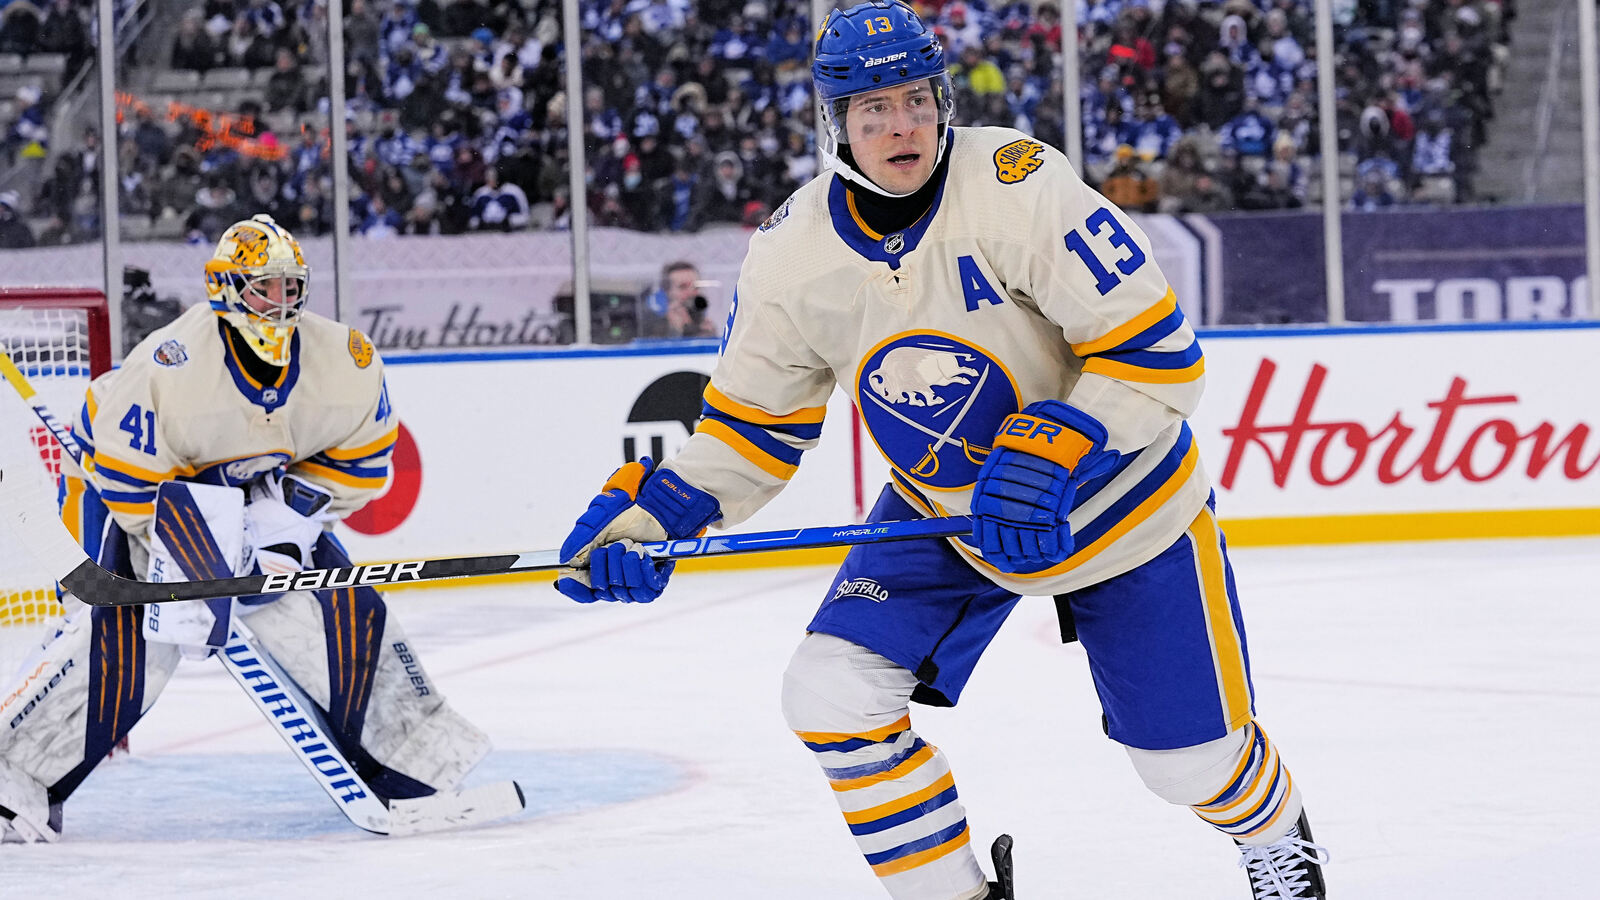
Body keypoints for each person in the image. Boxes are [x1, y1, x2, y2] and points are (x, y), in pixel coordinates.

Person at [554, 3, 1331, 898]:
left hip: (1126, 509)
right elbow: (751, 428)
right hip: (949, 522)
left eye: (917, 100)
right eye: (874, 109)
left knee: (1188, 766)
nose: (902, 126)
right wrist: (657, 515)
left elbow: (1158, 353)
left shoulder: (1018, 186)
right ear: (835, 123)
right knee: (829, 694)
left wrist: (1063, 442)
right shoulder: (791, 255)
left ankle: (1274, 837)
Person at [0, 214, 491, 842]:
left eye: (291, 287)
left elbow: (362, 464)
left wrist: (280, 526)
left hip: (259, 492)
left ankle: (413, 762)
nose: (281, 302)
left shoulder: (345, 360)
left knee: (342, 609)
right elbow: (130, 485)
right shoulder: (170, 366)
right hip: (138, 491)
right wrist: (195, 567)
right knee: (130, 643)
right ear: (226, 289)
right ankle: (13, 777)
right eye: (264, 288)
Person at [642, 260, 718, 339]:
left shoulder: (705, 325)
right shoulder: (652, 326)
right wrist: (674, 330)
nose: (691, 292)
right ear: (667, 292)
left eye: (696, 287)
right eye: (683, 287)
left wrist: (707, 333)